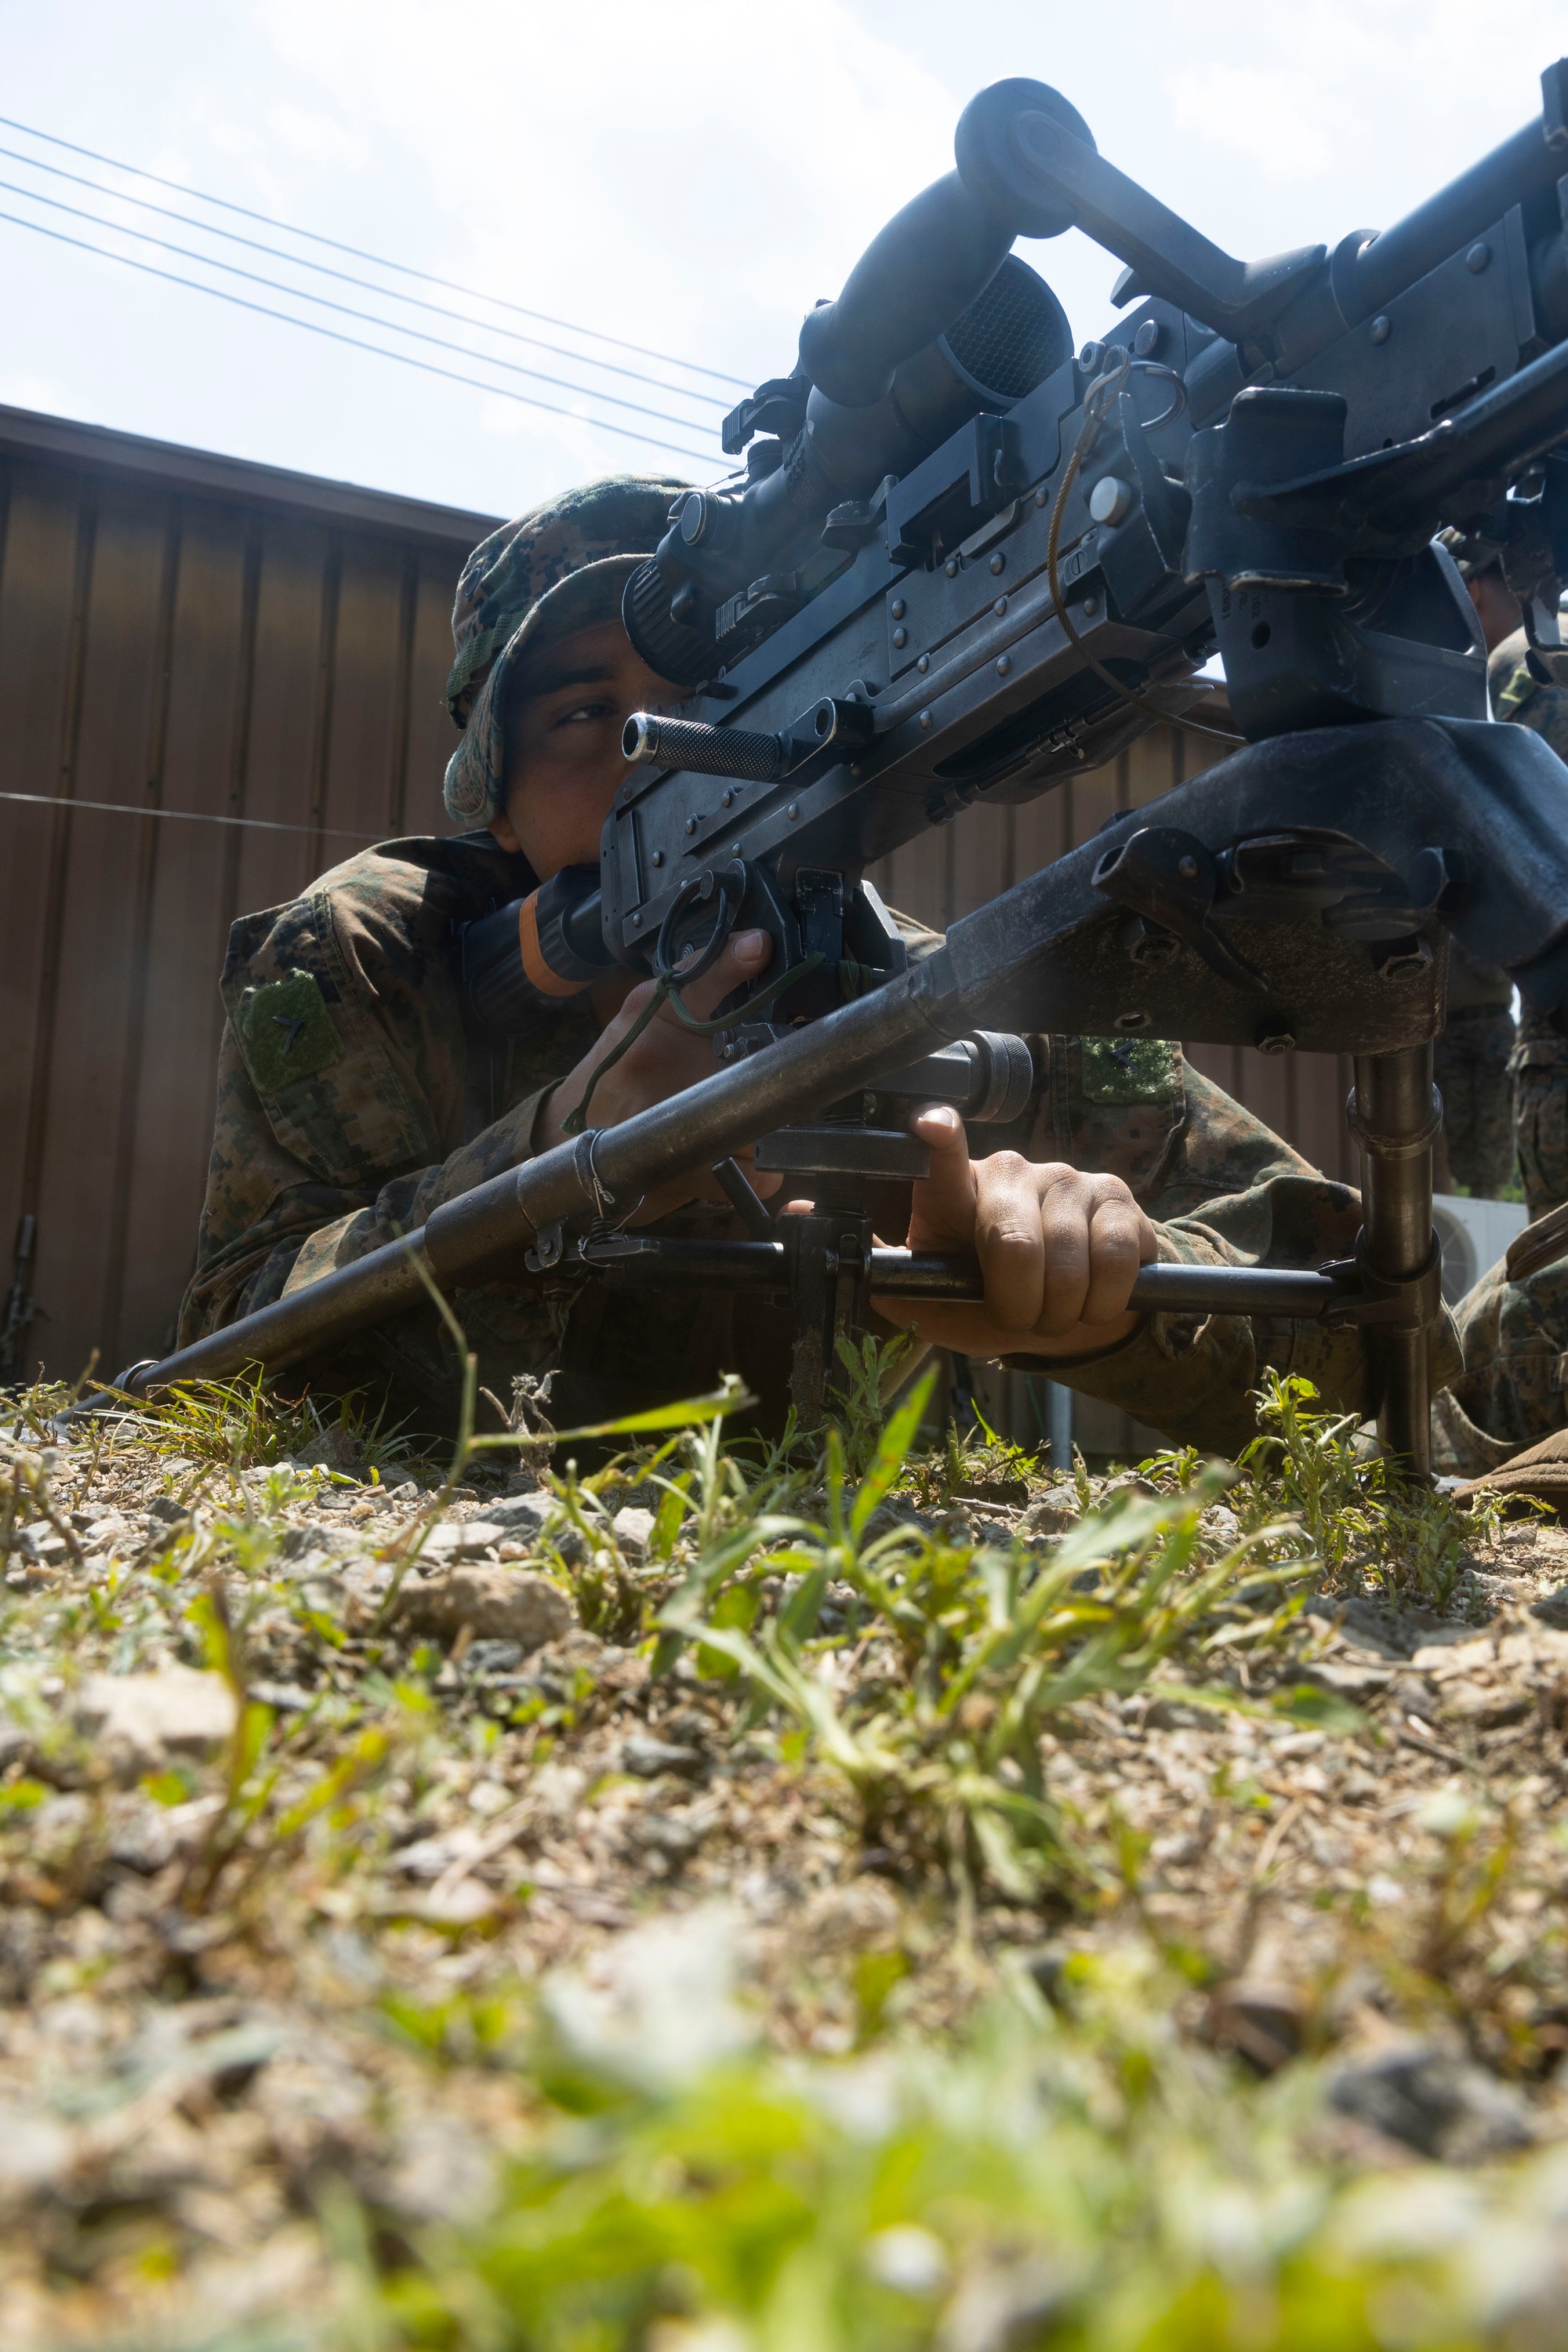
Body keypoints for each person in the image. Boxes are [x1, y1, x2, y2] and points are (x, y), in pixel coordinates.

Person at [179, 474, 1408, 1461]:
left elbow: (1381, 1360)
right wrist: (563, 1155)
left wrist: (1108, 1291)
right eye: (585, 715)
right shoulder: (370, 952)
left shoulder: (919, 987)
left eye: (714, 698)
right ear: (491, 794)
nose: (661, 757)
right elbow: (220, 1350)